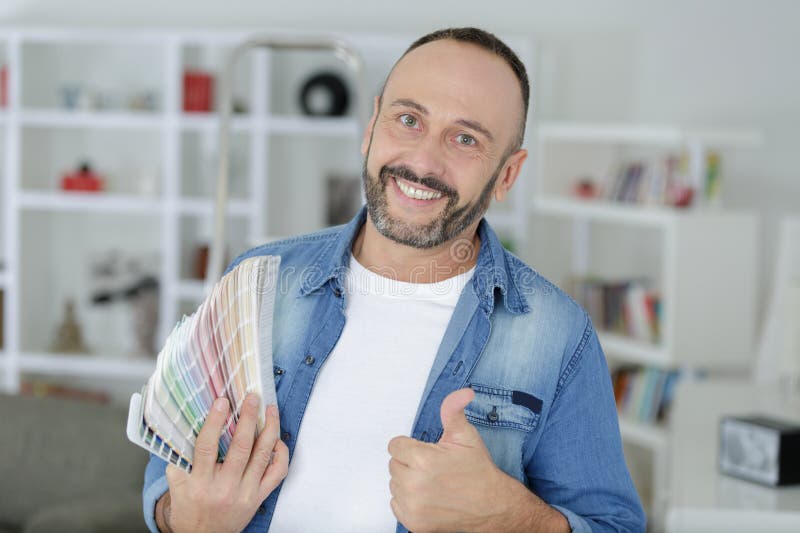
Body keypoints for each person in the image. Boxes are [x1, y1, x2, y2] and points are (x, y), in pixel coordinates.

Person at [143, 27, 646, 533]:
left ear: (508, 175)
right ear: (371, 128)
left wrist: (511, 518)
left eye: (466, 138)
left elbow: (614, 525)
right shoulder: (256, 283)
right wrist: (184, 518)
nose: (423, 161)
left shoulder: (558, 335)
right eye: (408, 120)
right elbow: (167, 484)